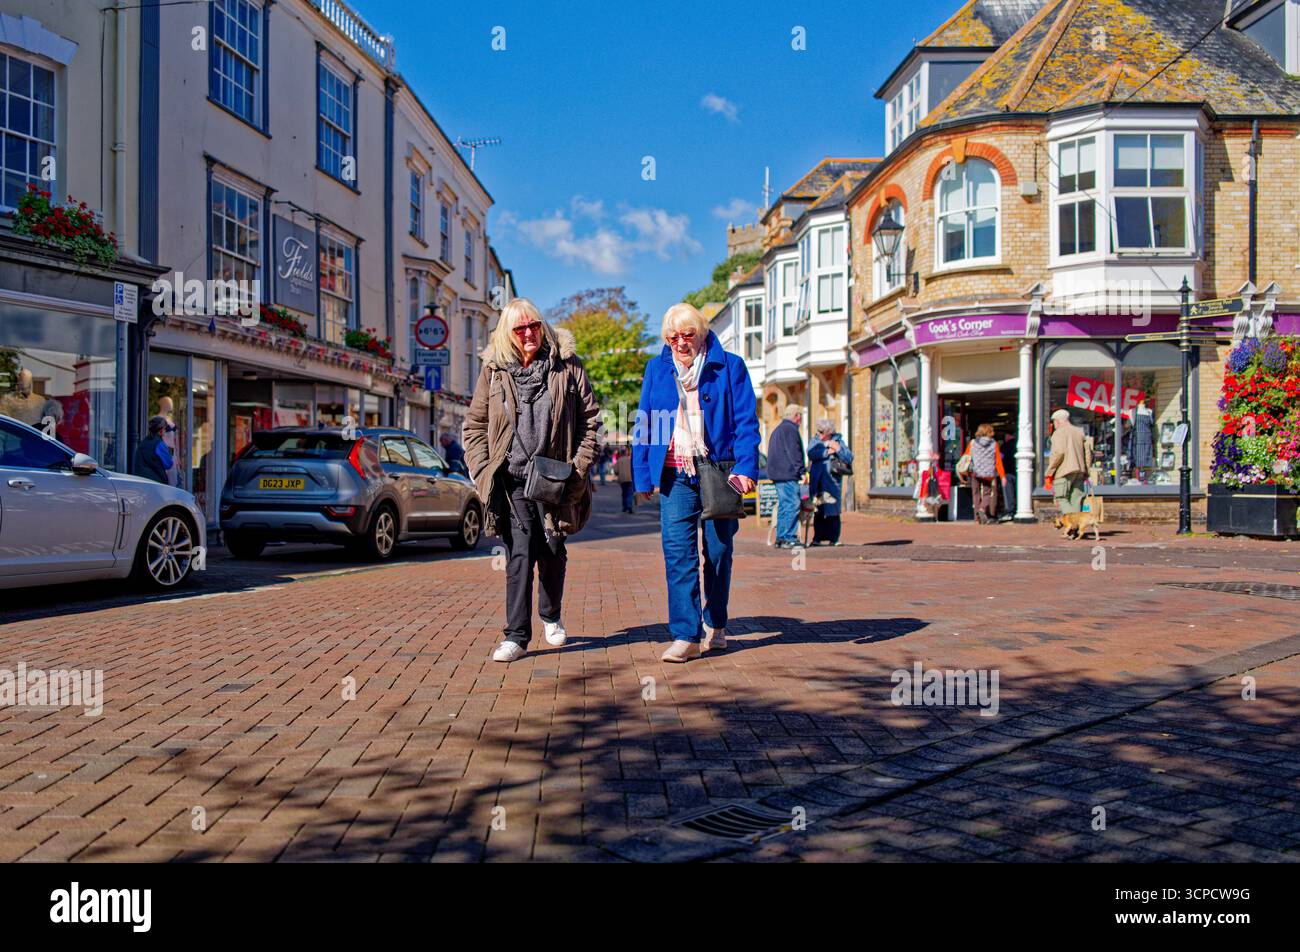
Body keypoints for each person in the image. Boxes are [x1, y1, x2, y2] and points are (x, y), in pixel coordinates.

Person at [463, 297, 601, 663]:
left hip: (556, 477)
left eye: (534, 326)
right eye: (520, 328)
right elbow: (474, 425)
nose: (529, 333)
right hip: (512, 479)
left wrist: (578, 467)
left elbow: (591, 422)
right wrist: (481, 468)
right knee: (519, 554)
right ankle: (516, 636)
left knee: (553, 550)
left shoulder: (567, 367)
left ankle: (551, 615)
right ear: (508, 334)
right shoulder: (494, 372)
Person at [633, 302, 759, 663]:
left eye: (687, 335)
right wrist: (643, 473)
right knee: (678, 555)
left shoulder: (730, 366)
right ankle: (685, 635)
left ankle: (716, 624)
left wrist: (747, 466)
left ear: (701, 334)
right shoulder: (657, 369)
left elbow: (747, 423)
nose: (680, 343)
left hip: (719, 471)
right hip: (675, 474)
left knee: (718, 553)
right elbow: (646, 421)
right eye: (673, 337)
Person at [808, 419, 853, 545]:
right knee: (819, 509)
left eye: (822, 432)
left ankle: (834, 539)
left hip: (833, 481)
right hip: (818, 481)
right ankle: (817, 538)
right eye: (819, 431)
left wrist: (838, 449)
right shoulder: (815, 441)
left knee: (833, 510)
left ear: (829, 432)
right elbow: (810, 453)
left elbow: (849, 457)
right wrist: (826, 451)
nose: (819, 434)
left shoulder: (838, 441)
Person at [766, 404, 805, 548]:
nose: (800, 419)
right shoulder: (790, 429)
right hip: (787, 473)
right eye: (799, 415)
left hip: (778, 474)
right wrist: (801, 470)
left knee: (783, 506)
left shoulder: (779, 429)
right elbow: (794, 452)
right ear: (796, 416)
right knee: (792, 504)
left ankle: (781, 538)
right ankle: (789, 537)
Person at [1046, 408, 1089, 514]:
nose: (1054, 425)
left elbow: (1059, 453)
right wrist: (1086, 470)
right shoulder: (1079, 432)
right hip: (1079, 471)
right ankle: (1075, 527)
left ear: (1057, 421)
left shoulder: (1058, 433)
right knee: (1076, 500)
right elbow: (1087, 453)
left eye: (1054, 422)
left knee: (1062, 498)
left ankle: (1072, 525)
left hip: (1063, 471)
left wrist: (1050, 470)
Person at [961, 423, 1006, 525]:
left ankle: (977, 517)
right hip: (988, 474)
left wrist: (963, 472)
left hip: (975, 472)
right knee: (987, 494)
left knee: (975, 494)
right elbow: (998, 461)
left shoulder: (972, 443)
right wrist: (1002, 476)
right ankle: (982, 509)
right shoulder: (994, 444)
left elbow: (966, 457)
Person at [133, 415, 174, 485]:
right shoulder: (159, 444)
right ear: (161, 430)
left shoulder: (143, 442)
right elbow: (168, 464)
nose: (165, 431)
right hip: (155, 483)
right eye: (165, 429)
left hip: (140, 481)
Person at [614, 445, 634, 513]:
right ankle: (629, 506)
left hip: (622, 479)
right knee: (630, 493)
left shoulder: (619, 460)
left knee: (624, 493)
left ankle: (625, 507)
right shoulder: (631, 459)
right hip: (631, 478)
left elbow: (616, 471)